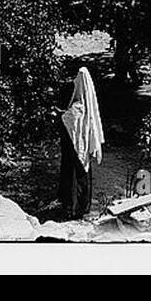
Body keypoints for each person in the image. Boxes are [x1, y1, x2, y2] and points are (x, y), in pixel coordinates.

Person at [59, 66, 105, 219]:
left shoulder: (77, 106)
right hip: (82, 148)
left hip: (74, 149)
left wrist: (59, 114)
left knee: (73, 177)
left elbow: (69, 121)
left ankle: (71, 209)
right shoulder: (87, 104)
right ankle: (83, 207)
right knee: (83, 176)